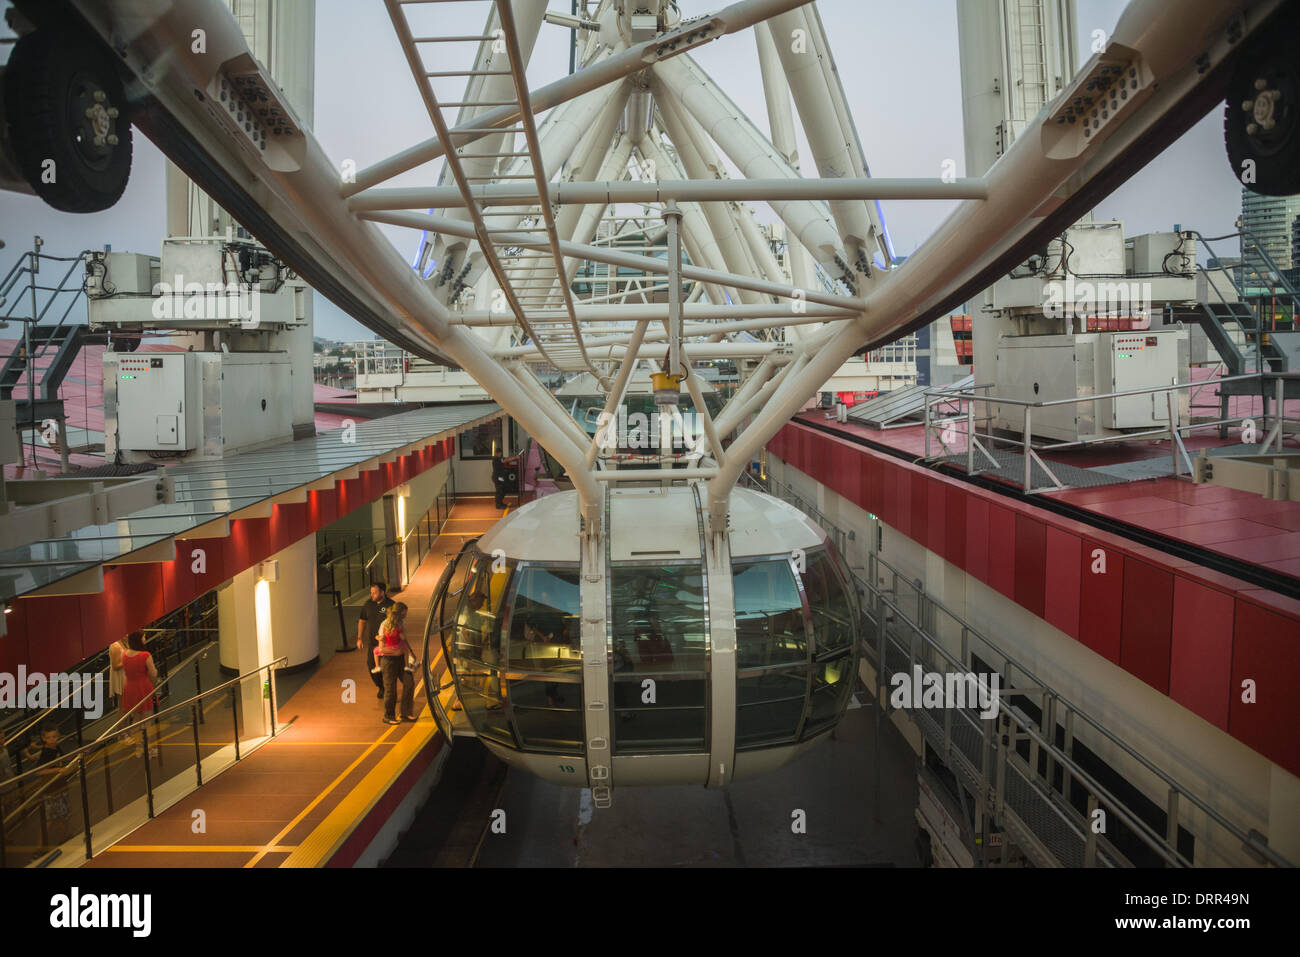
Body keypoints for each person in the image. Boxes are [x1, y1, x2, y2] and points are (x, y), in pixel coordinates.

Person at [375, 602, 416, 724]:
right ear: (398, 613)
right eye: (404, 614)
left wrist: (409, 656)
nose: (405, 616)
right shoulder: (384, 625)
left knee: (409, 683)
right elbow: (381, 649)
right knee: (390, 689)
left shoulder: (402, 623)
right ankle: (388, 716)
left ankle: (406, 712)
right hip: (388, 661)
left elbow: (404, 641)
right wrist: (396, 652)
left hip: (401, 659)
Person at [356, 582, 394, 700]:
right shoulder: (368, 604)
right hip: (373, 645)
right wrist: (359, 638)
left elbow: (398, 624)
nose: (372, 595)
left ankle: (389, 689)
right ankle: (381, 686)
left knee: (389, 668)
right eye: (371, 593)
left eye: (375, 592)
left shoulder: (391, 605)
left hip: (388, 644)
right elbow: (362, 621)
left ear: (382, 592)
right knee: (372, 666)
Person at [108, 636, 126, 707]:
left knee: (126, 705)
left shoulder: (124, 643)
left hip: (124, 674)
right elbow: (115, 666)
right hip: (120, 676)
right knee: (122, 705)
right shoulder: (115, 646)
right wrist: (128, 660)